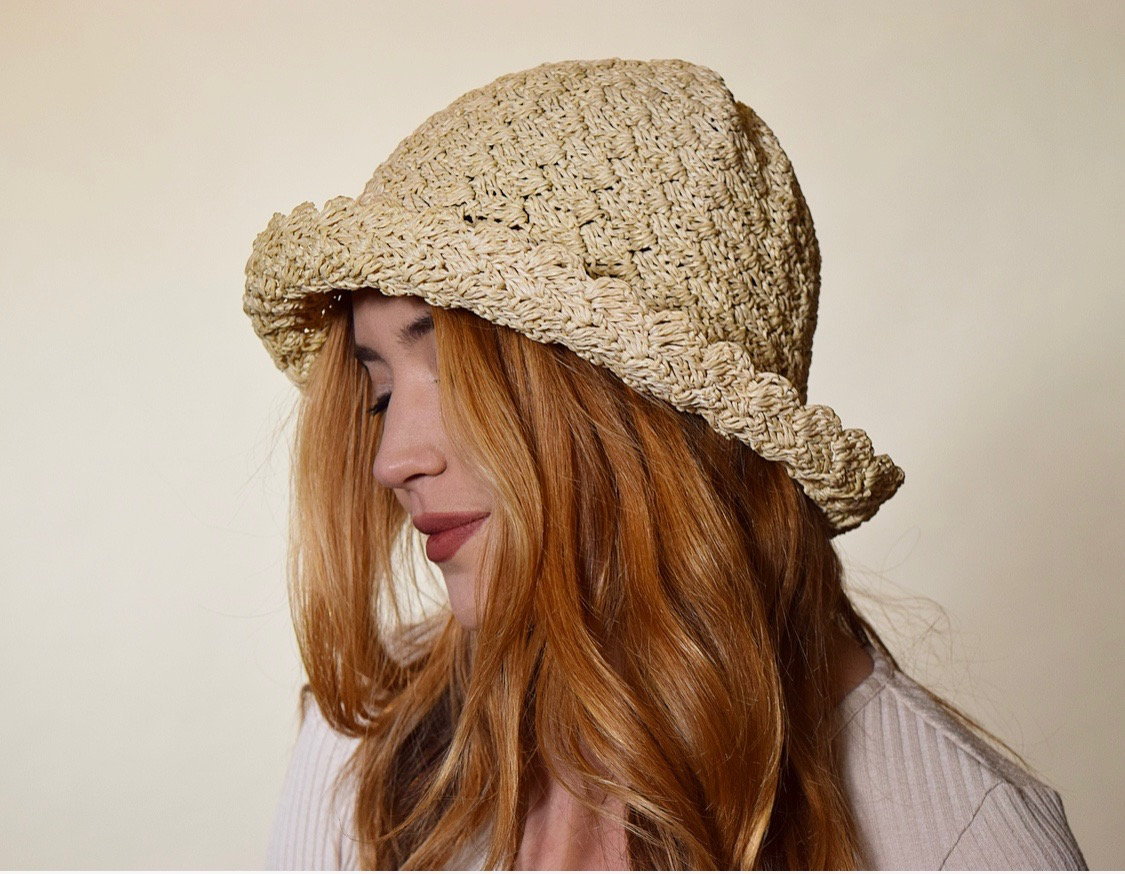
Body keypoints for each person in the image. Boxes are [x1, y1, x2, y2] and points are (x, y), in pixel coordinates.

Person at [244, 59, 1086, 869]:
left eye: (461, 379)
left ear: (642, 405)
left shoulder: (958, 836)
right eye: (381, 391)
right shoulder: (369, 749)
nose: (392, 460)